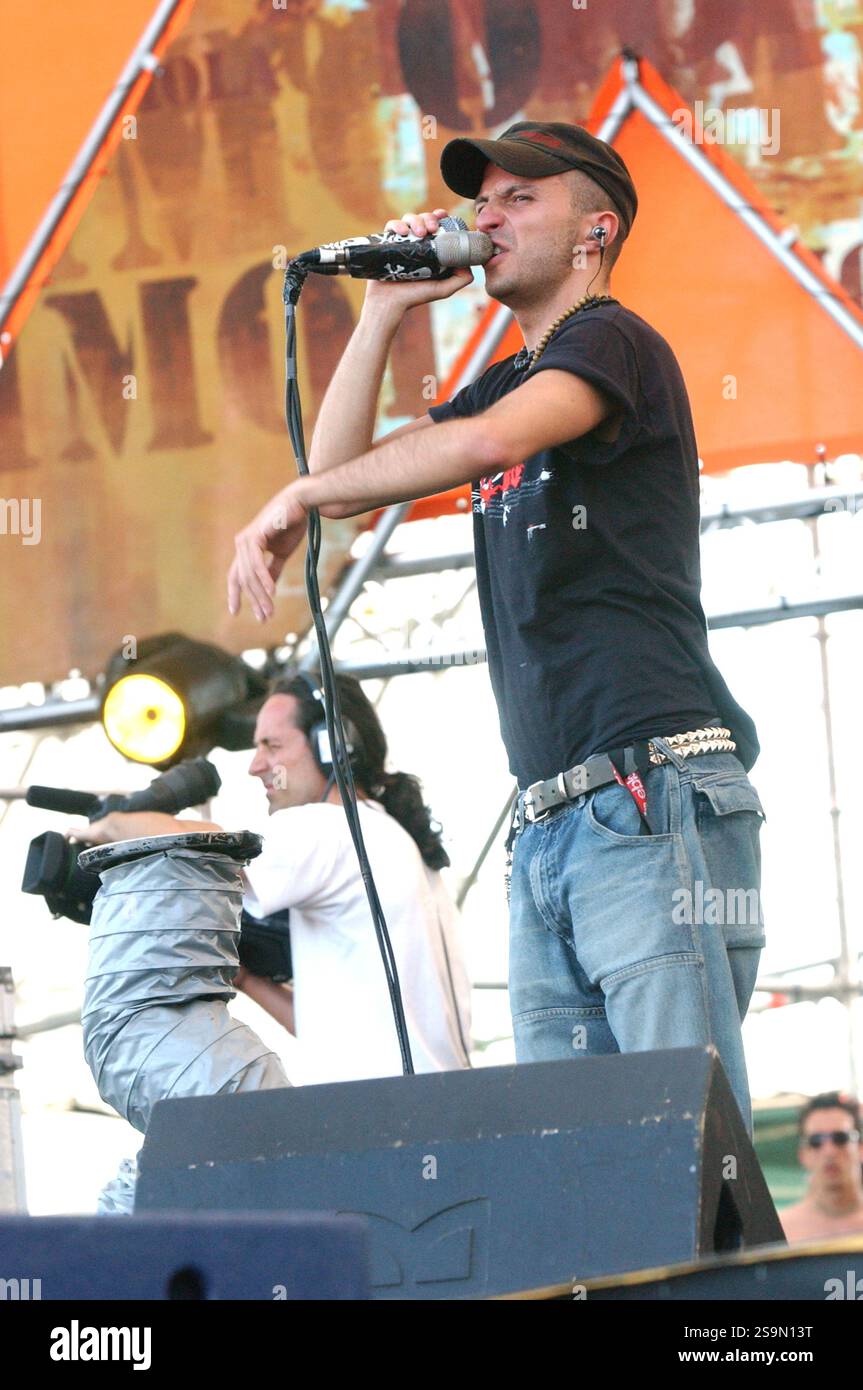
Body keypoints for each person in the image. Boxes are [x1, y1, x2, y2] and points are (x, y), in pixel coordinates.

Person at [226, 122, 765, 1130]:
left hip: (644, 793)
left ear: (593, 230)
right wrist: (383, 311)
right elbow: (345, 484)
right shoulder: (509, 377)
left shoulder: (611, 340)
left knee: (685, 1148)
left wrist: (297, 494)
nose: (485, 216)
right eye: (483, 200)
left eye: (520, 197)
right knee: (580, 1160)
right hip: (552, 821)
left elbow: (481, 442)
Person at [83, 671, 472, 1085]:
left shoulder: (331, 828)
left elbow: (206, 845)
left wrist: (112, 826)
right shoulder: (391, 837)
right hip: (421, 1107)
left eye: (272, 745)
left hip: (378, 1112)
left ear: (333, 746)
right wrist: (248, 980)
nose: (255, 765)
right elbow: (336, 1033)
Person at [780, 1092, 863, 1242]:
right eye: (816, 1141)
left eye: (840, 1138)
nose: (829, 1151)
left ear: (860, 1149)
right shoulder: (781, 1232)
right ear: (803, 1155)